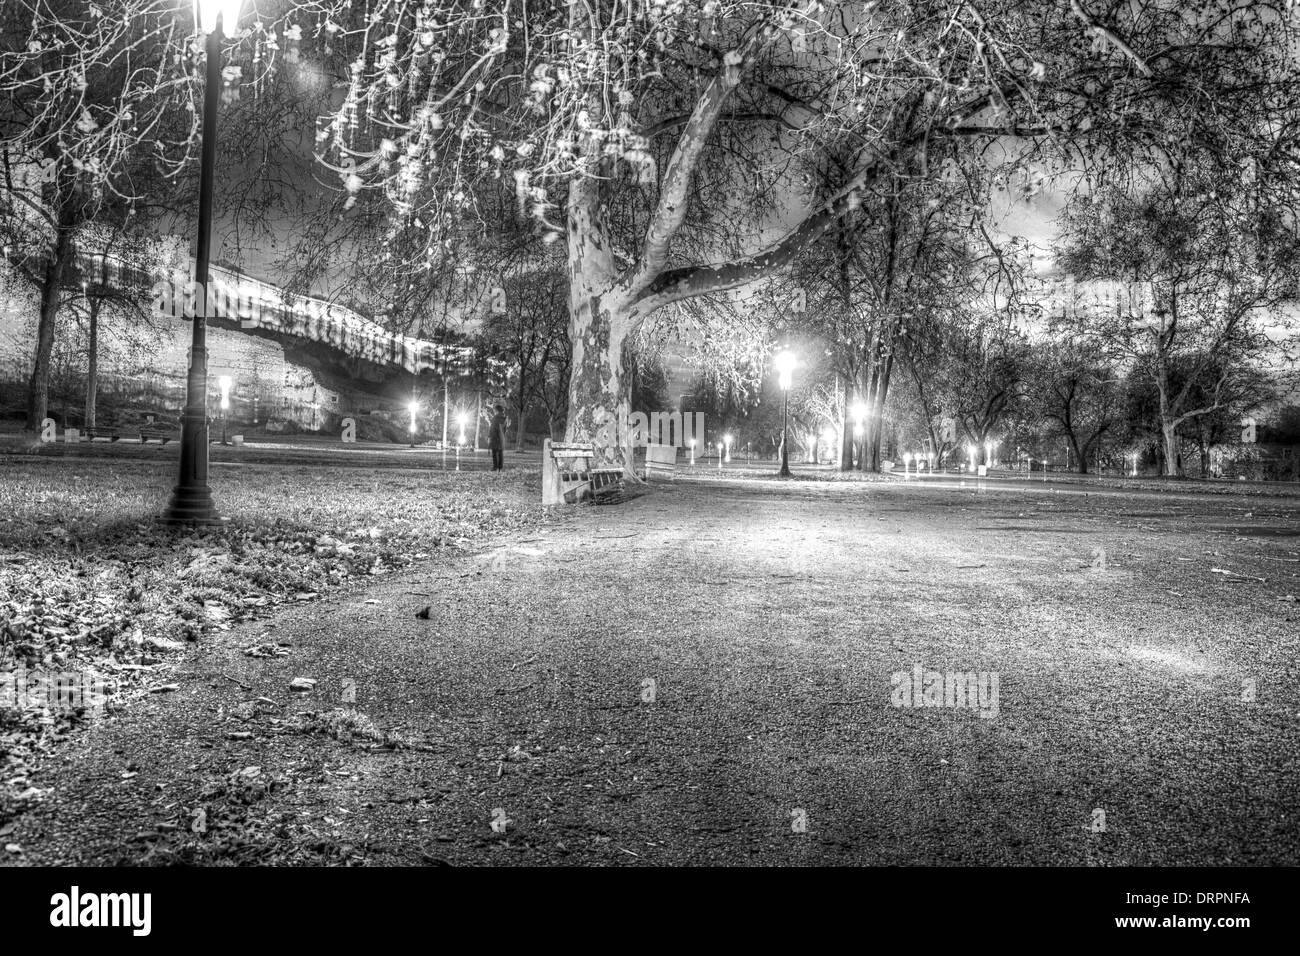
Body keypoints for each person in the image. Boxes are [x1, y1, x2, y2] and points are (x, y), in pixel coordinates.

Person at [488, 404, 507, 471]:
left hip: (495, 436)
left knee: (494, 452)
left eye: (494, 410)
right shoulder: (504, 418)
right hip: (501, 436)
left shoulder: (495, 418)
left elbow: (493, 428)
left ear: (497, 410)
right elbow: (505, 429)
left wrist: (490, 436)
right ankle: (500, 466)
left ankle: (495, 466)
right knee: (500, 452)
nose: (494, 411)